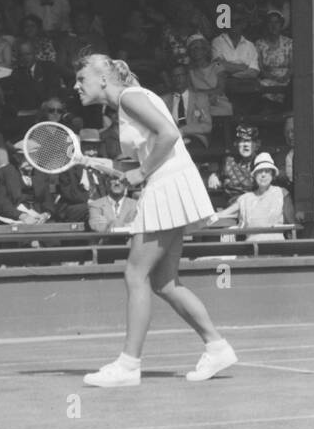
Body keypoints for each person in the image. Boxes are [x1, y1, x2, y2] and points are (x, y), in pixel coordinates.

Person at [74, 54, 236, 387]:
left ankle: (128, 365)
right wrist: (96, 161)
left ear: (102, 78)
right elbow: (145, 154)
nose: (76, 86)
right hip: (170, 181)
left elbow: (169, 134)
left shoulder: (130, 98)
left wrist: (142, 172)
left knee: (135, 273)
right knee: (164, 282)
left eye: (81, 79)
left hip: (166, 184)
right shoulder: (133, 99)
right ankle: (217, 347)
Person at [211, 152, 293, 241]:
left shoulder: (282, 193)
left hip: (276, 246)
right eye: (259, 171)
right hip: (251, 248)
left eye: (267, 171)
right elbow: (223, 214)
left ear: (272, 175)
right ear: (254, 175)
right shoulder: (245, 198)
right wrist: (231, 228)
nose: (263, 175)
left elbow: (292, 223)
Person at [161, 63, 213, 150]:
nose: (177, 79)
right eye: (174, 76)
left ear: (187, 77)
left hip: (194, 137)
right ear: (170, 79)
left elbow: (207, 126)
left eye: (180, 75)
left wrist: (183, 131)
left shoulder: (200, 98)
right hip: (171, 139)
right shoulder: (163, 100)